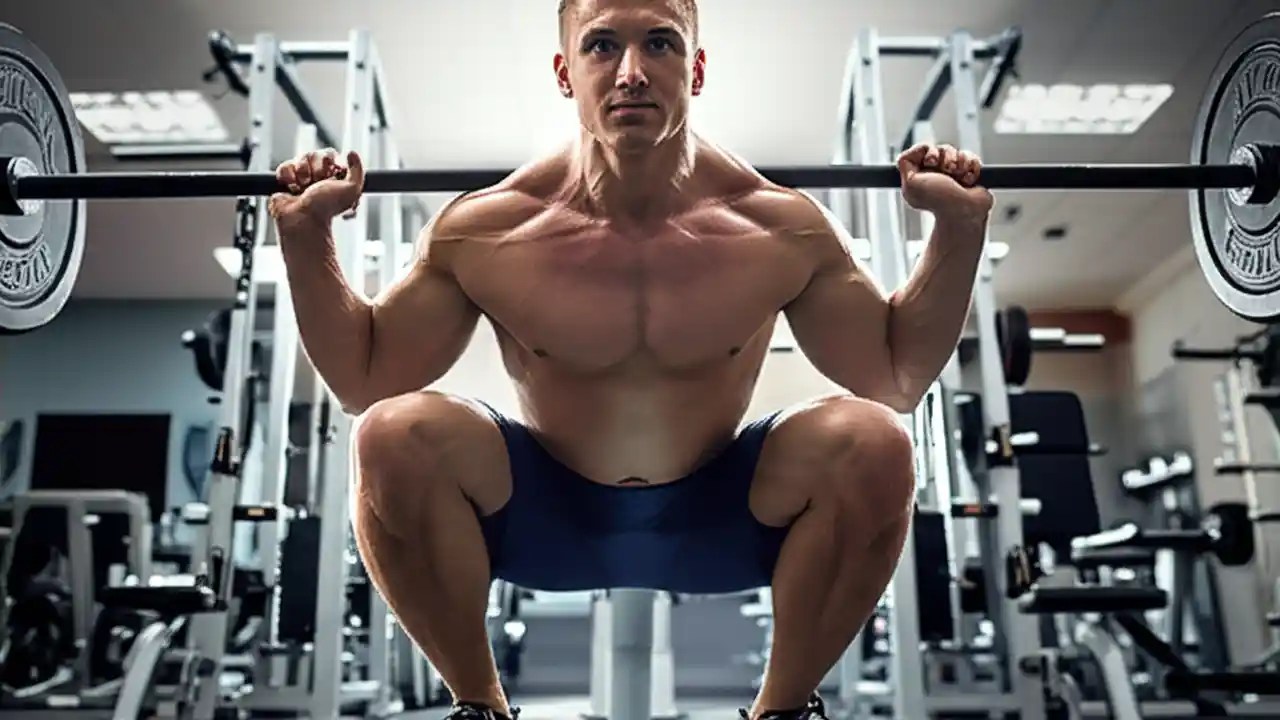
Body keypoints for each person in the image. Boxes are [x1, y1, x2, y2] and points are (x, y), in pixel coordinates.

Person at [268, 0, 993, 717]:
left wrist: (958, 230)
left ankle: (782, 713)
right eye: (602, 46)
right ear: (565, 72)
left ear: (697, 69)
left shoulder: (777, 226)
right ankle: (479, 708)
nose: (632, 72)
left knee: (873, 441)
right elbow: (366, 379)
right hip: (543, 518)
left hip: (721, 517)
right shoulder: (489, 227)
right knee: (393, 434)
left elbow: (895, 374)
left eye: (661, 45)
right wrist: (306, 241)